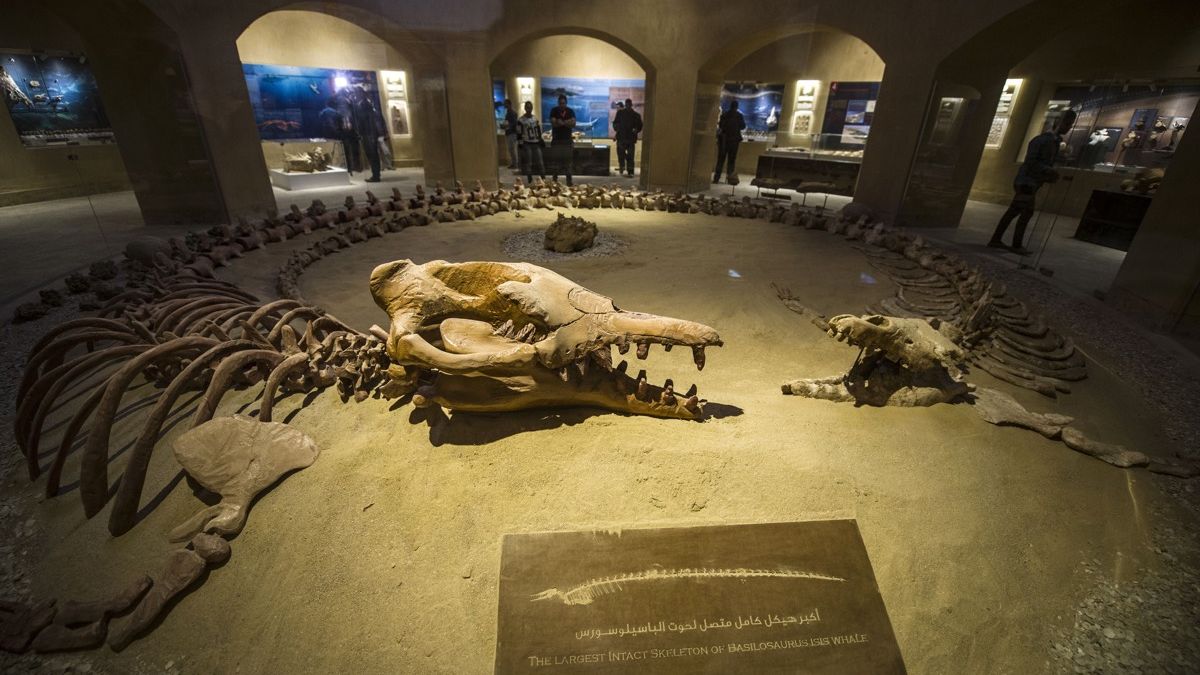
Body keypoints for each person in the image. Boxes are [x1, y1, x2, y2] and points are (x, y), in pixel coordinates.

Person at [988, 109, 1077, 253]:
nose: (1068, 127)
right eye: (1067, 123)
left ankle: (1001, 241)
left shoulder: (1052, 141)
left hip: (1030, 182)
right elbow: (1031, 162)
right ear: (1058, 122)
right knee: (1019, 211)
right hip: (1026, 183)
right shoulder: (1043, 140)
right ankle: (1009, 243)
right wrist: (1048, 171)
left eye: (1070, 124)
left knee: (1020, 212)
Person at [713, 100, 746, 185]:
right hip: (734, 141)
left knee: (720, 160)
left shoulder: (724, 115)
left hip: (724, 141)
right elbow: (743, 126)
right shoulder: (739, 115)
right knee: (731, 161)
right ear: (737, 107)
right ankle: (730, 179)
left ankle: (716, 178)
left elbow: (721, 125)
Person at [549, 94, 576, 186]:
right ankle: (554, 182)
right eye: (560, 103)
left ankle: (569, 181)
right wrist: (567, 122)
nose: (562, 105)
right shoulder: (554, 110)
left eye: (563, 103)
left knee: (568, 162)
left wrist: (561, 122)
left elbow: (573, 124)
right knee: (555, 162)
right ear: (558, 103)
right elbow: (553, 123)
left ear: (566, 103)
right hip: (556, 141)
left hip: (567, 141)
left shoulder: (570, 111)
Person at [612, 97, 643, 178]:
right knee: (621, 154)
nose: (628, 106)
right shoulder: (620, 113)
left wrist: (636, 130)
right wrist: (617, 129)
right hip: (621, 138)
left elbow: (640, 126)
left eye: (629, 104)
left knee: (630, 156)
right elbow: (615, 123)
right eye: (627, 104)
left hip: (630, 139)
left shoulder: (636, 115)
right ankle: (622, 167)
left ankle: (630, 170)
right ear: (626, 105)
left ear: (631, 105)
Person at [516, 100, 546, 183]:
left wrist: (540, 139)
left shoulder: (535, 118)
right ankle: (530, 179)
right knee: (529, 163)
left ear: (532, 108)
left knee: (540, 162)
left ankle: (543, 179)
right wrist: (520, 143)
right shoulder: (521, 120)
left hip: (536, 142)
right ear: (525, 108)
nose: (529, 109)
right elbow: (519, 132)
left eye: (530, 107)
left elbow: (538, 130)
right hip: (527, 143)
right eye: (527, 107)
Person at [503, 99, 520, 170]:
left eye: (505, 103)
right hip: (510, 133)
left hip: (512, 133)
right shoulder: (509, 112)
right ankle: (513, 163)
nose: (504, 105)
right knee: (511, 149)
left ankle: (515, 164)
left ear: (509, 104)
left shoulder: (512, 113)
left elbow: (514, 123)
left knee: (512, 149)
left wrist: (507, 126)